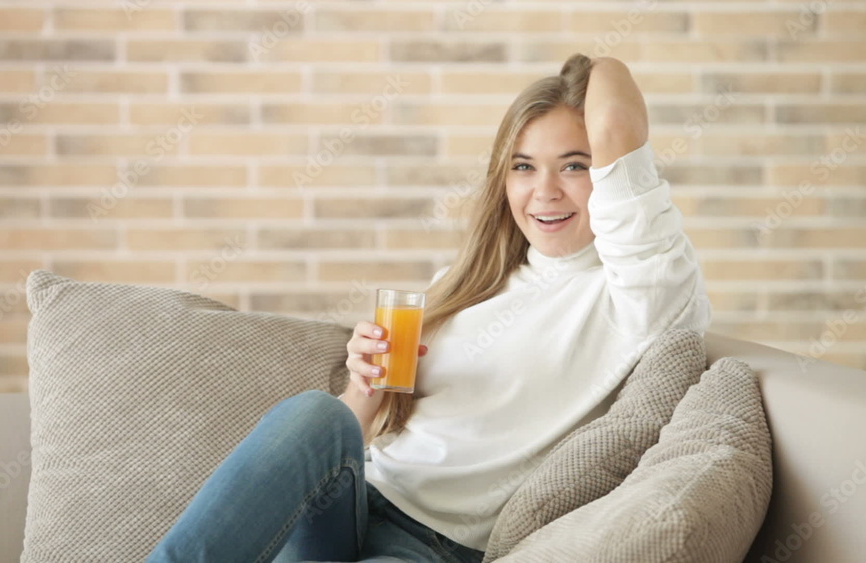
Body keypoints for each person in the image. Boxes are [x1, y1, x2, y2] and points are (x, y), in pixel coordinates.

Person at [147, 53, 712, 563]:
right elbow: (366, 429)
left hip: (434, 545)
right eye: (523, 166)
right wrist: (364, 392)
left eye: (573, 165)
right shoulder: (473, 280)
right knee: (318, 414)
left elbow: (614, 118)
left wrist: (583, 71)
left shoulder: (643, 285)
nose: (544, 191)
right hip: (353, 500)